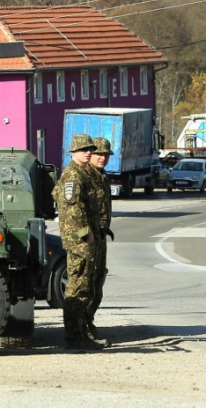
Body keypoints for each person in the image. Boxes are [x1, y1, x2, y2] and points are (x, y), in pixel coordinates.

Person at [52, 133, 103, 351]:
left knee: (86, 285)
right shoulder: (72, 175)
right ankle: (74, 337)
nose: (88, 152)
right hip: (78, 240)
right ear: (73, 152)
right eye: (83, 149)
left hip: (84, 238)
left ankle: (82, 332)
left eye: (90, 149)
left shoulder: (83, 173)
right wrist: (85, 233)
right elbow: (73, 208)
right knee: (77, 287)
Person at [87, 137, 115, 348]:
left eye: (106, 155)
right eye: (99, 154)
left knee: (97, 284)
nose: (102, 158)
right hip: (87, 239)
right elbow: (74, 211)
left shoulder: (102, 177)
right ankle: (83, 330)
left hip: (100, 237)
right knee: (85, 286)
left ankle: (89, 325)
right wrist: (84, 234)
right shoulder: (85, 177)